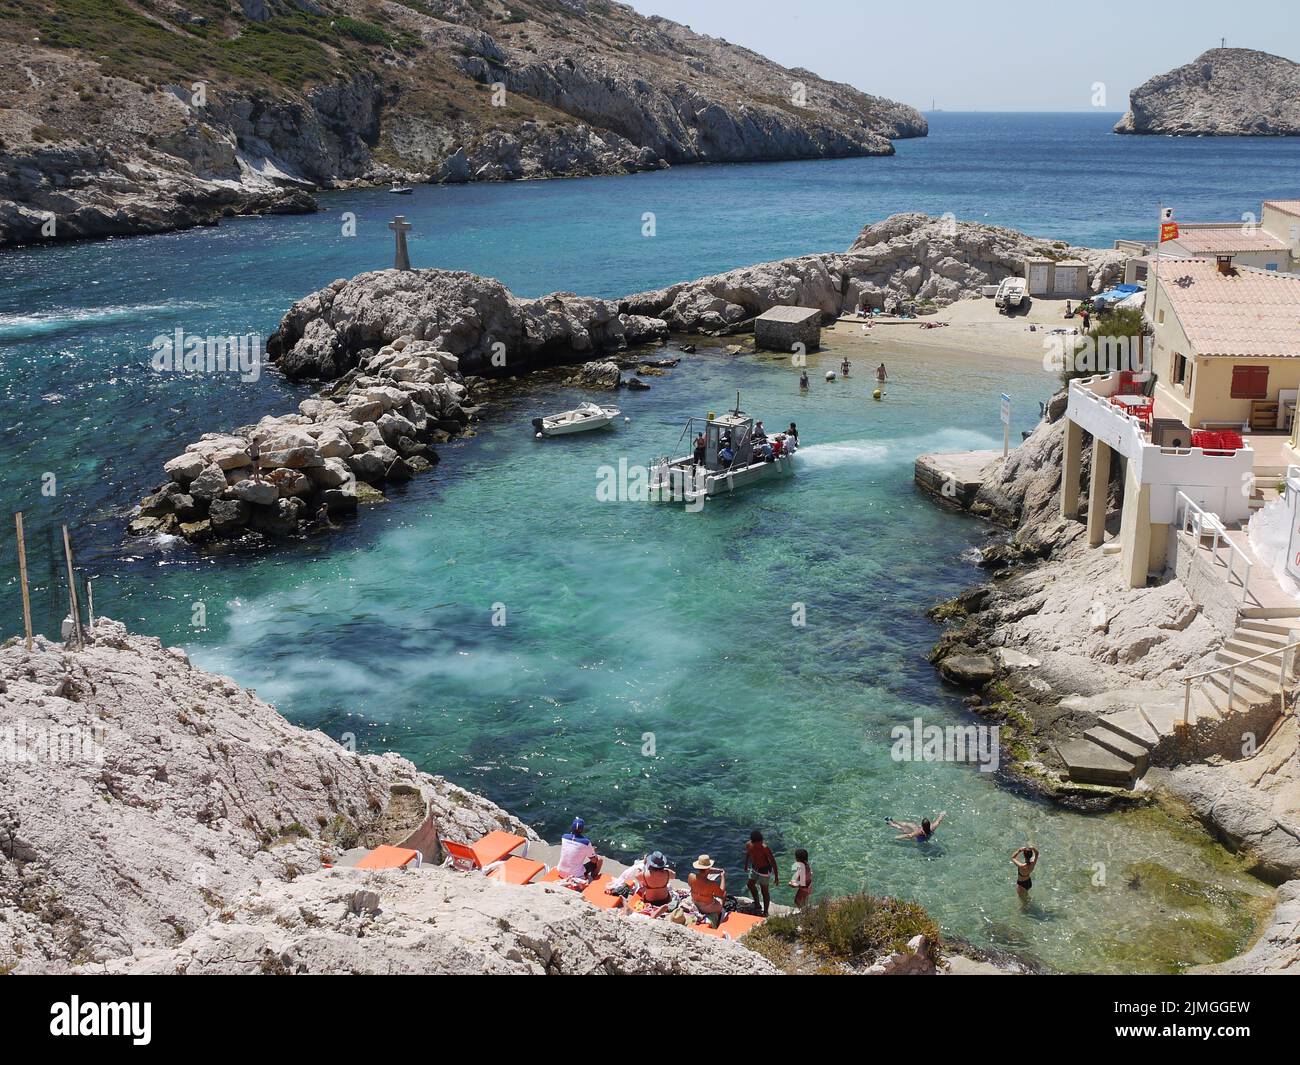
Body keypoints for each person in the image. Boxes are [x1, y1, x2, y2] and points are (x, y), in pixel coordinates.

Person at [556, 817, 603, 882]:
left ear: (572, 827)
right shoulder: (586, 842)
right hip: (574, 876)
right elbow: (594, 860)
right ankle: (593, 878)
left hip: (561, 872)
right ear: (582, 829)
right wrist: (593, 851)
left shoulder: (564, 837)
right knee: (599, 860)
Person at [744, 830, 778, 916]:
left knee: (764, 891)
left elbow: (773, 861)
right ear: (753, 842)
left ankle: (765, 911)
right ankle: (757, 903)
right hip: (754, 868)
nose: (760, 844)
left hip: (764, 870)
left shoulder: (765, 848)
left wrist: (776, 876)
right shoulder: (748, 845)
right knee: (750, 885)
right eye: (758, 843)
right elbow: (748, 854)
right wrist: (746, 864)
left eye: (761, 842)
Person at [689, 855, 727, 928]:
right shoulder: (711, 884)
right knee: (724, 894)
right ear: (708, 869)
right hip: (707, 908)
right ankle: (719, 916)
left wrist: (718, 870)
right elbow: (721, 893)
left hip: (695, 902)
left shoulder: (691, 876)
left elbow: (704, 872)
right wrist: (722, 877)